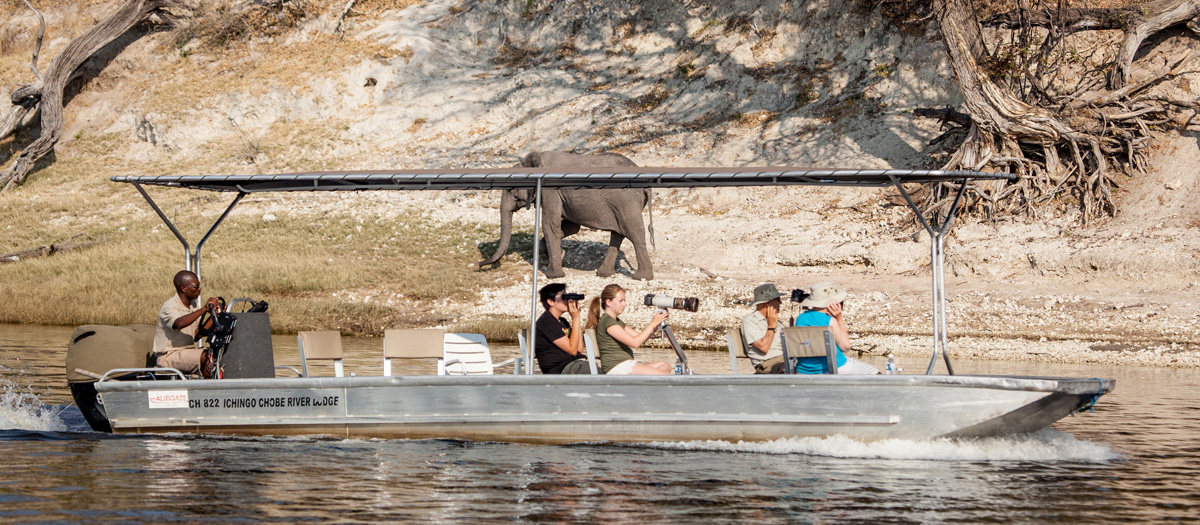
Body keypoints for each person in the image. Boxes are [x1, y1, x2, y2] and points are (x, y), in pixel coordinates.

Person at [793, 281, 879, 375]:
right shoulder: (830, 321)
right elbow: (845, 347)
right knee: (874, 372)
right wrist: (839, 319)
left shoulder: (800, 319)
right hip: (831, 367)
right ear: (832, 303)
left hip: (803, 370)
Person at [585, 284, 672, 375]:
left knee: (665, 366)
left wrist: (656, 323)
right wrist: (652, 324)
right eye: (621, 301)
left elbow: (639, 337)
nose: (624, 304)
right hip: (617, 367)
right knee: (663, 375)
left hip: (627, 363)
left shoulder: (616, 321)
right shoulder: (607, 322)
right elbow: (635, 343)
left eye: (624, 301)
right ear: (608, 302)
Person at [152, 270, 220, 375]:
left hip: (187, 352)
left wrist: (214, 314)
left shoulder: (193, 304)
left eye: (199, 285)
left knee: (218, 353)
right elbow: (179, 323)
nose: (199, 289)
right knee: (208, 357)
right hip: (169, 356)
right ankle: (210, 391)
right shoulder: (170, 306)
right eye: (196, 286)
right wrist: (204, 309)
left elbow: (197, 335)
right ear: (183, 288)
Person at [534, 283, 592, 374]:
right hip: (559, 368)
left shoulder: (562, 321)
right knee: (597, 370)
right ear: (551, 301)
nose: (567, 300)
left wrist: (577, 317)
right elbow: (573, 351)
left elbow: (578, 350)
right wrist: (575, 318)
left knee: (599, 367)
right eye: (563, 297)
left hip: (572, 364)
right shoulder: (547, 322)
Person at [740, 283, 787, 373]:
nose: (780, 303)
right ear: (768, 304)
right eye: (778, 299)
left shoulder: (777, 321)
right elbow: (763, 348)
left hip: (785, 360)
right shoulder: (750, 321)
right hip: (768, 364)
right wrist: (771, 326)